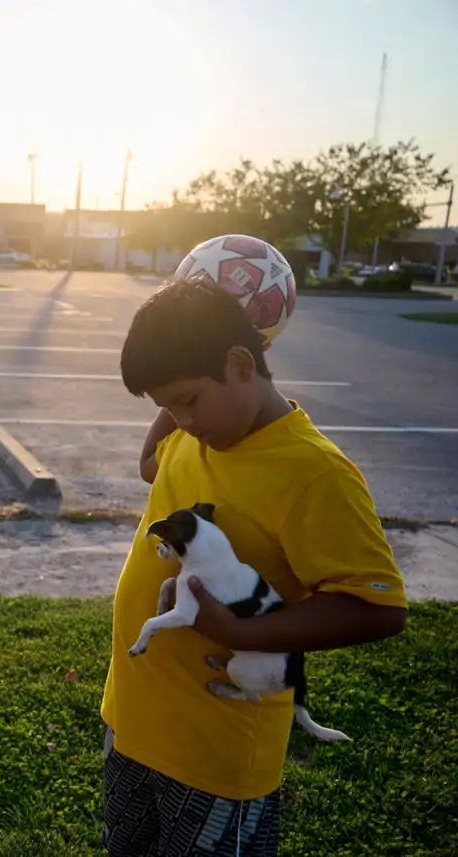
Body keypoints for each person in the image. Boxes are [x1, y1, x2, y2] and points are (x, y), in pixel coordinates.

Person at [100, 276, 408, 856]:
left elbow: (377, 607)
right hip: (131, 724)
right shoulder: (199, 436)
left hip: (216, 755)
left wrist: (239, 632)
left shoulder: (314, 473)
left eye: (188, 400)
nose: (181, 420)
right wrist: (178, 392)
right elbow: (148, 461)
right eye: (167, 407)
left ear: (243, 364)